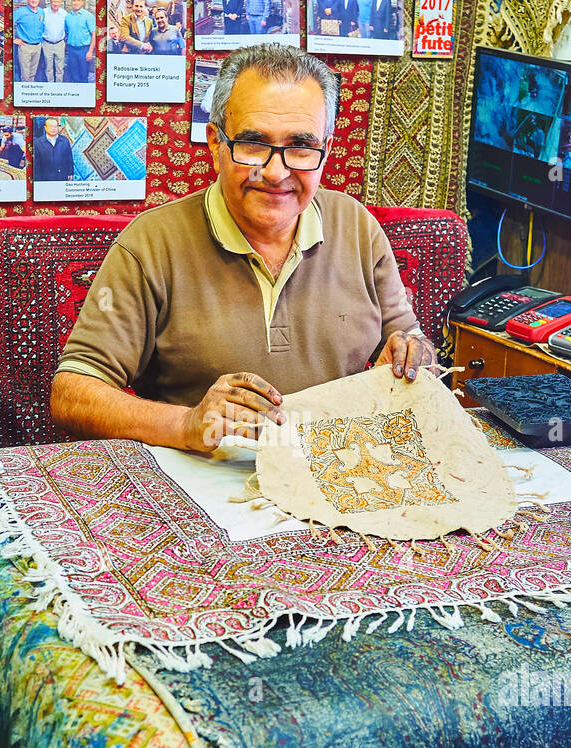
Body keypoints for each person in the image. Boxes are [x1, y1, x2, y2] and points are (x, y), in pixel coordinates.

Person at [51, 43, 434, 452]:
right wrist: (186, 424)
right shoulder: (151, 244)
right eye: (253, 143)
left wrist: (413, 353)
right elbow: (72, 392)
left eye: (301, 147)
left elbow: (408, 337)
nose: (276, 171)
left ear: (325, 149)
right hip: (203, 488)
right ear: (215, 143)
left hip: (336, 470)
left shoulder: (358, 228)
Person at [64, 0, 95, 82]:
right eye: (74, 1)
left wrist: (90, 51)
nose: (76, 3)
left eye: (78, 0)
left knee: (83, 76)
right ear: (71, 2)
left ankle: (83, 93)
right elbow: (67, 32)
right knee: (73, 75)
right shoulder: (68, 17)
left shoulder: (88, 16)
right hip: (71, 50)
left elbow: (94, 35)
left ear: (82, 2)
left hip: (84, 50)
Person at [13, 0, 45, 82]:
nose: (34, 1)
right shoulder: (20, 12)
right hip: (25, 46)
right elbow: (6, 23)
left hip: (38, 46)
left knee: (33, 73)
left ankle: (31, 90)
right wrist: (13, 39)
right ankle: (24, 91)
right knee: (25, 75)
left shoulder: (41, 12)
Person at [40, 0, 66, 83]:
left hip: (60, 44)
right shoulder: (43, 12)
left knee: (60, 68)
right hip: (47, 44)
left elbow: (68, 28)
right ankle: (50, 85)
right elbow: (38, 26)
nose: (55, 4)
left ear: (61, 3)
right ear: (50, 2)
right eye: (54, 1)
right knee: (48, 68)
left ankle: (59, 85)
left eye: (58, 2)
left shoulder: (64, 14)